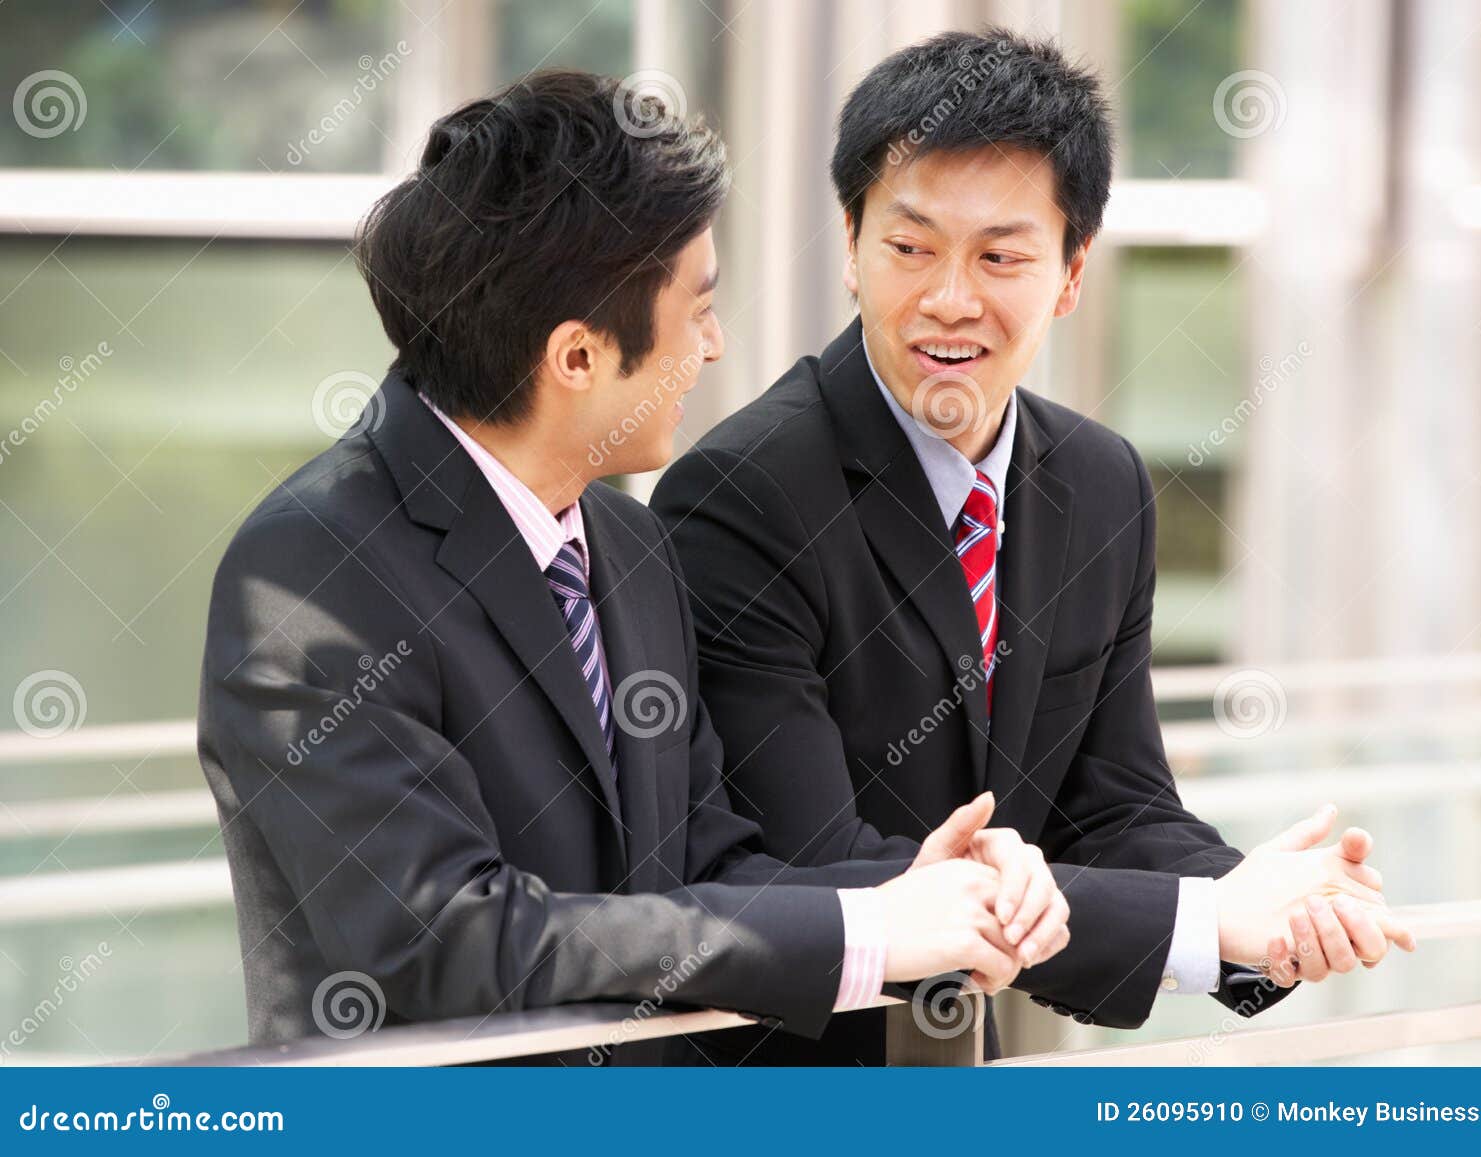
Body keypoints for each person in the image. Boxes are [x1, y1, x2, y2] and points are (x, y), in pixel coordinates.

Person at [196, 68, 1068, 1066]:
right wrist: (864, 935)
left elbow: (701, 858)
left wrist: (915, 890)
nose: (714, 345)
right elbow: (442, 943)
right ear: (575, 359)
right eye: (695, 310)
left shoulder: (627, 540)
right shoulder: (310, 574)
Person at [651, 28, 1416, 1065]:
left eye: (1001, 255)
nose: (951, 298)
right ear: (849, 243)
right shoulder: (744, 493)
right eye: (909, 246)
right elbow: (818, 862)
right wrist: (1203, 923)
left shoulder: (1101, 484)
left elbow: (1116, 803)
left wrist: (1255, 906)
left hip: (972, 1059)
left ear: (1069, 271)